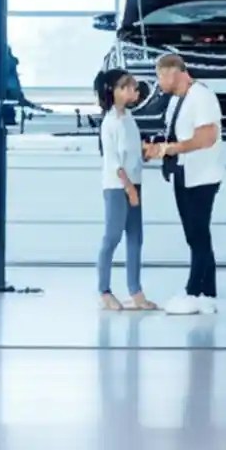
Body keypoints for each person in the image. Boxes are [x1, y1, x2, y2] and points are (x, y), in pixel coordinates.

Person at [145, 54, 225, 316]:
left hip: (201, 176)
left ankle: (193, 291)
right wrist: (158, 146)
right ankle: (207, 293)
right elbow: (175, 134)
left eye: (160, 76)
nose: (158, 82)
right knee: (197, 236)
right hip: (183, 174)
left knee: (198, 235)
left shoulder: (201, 96)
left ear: (173, 73)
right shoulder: (177, 101)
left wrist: (172, 148)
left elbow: (207, 136)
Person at [94, 68, 157, 312]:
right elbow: (114, 162)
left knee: (135, 238)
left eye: (132, 85)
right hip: (117, 186)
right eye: (126, 86)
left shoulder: (129, 118)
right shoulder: (110, 123)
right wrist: (129, 188)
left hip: (134, 183)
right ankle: (104, 291)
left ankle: (136, 291)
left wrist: (145, 154)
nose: (133, 89)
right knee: (112, 237)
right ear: (113, 92)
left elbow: (131, 153)